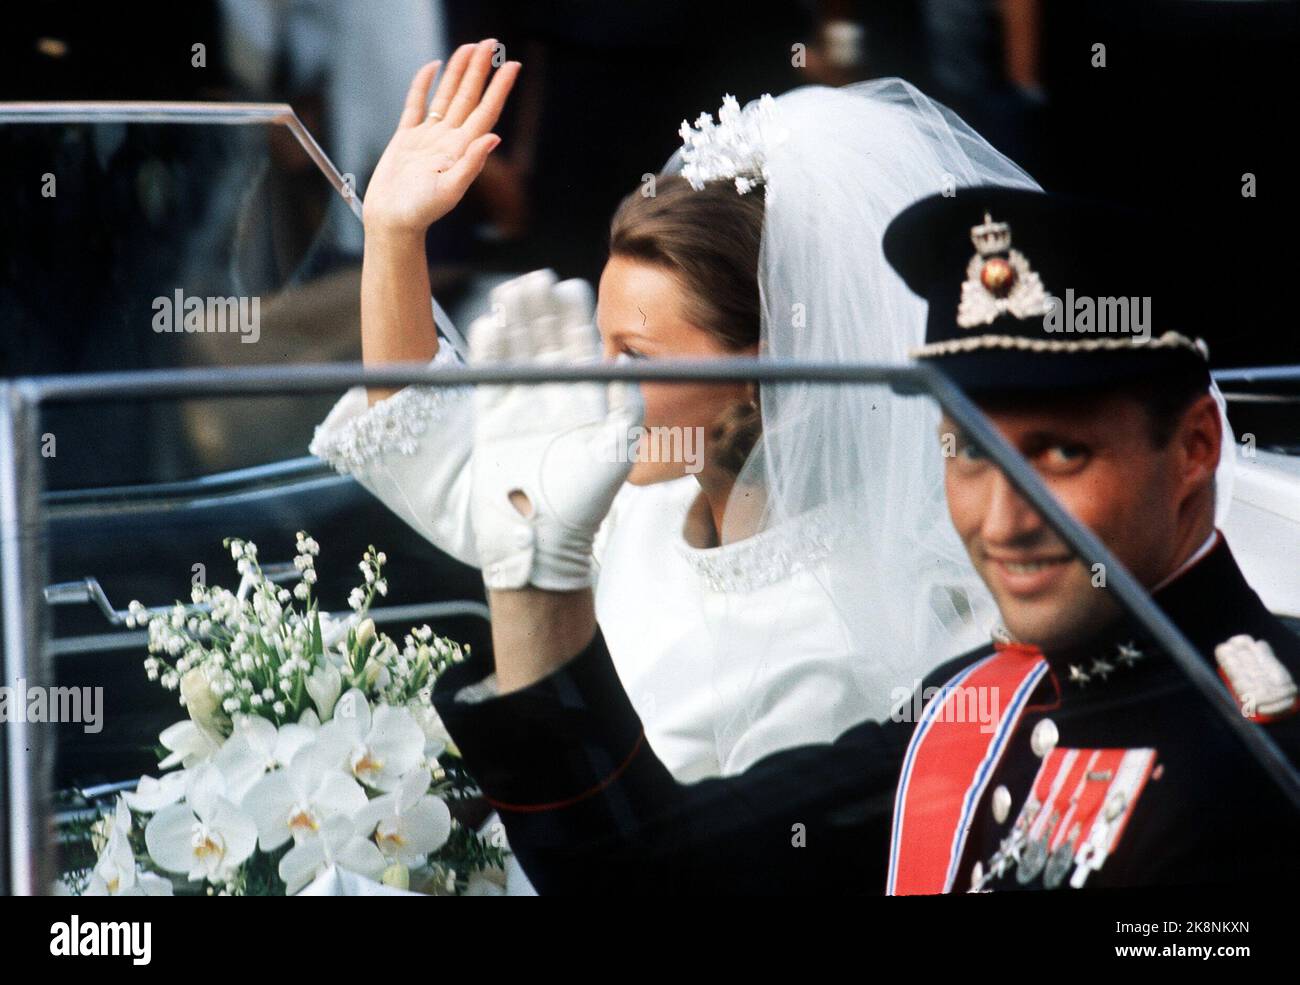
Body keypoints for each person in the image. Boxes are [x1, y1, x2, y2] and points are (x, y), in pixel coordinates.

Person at [427, 186, 1300, 894]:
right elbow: (644, 873)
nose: (1000, 523)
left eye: (1059, 456)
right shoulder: (972, 706)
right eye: (967, 453)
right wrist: (534, 573)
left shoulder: (1266, 748)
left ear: (1193, 451)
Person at [310, 39, 1043, 784]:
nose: (599, 386)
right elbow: (437, 456)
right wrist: (394, 237)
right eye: (599, 343)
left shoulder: (836, 641)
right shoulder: (639, 509)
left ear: (763, 372)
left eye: (635, 358)